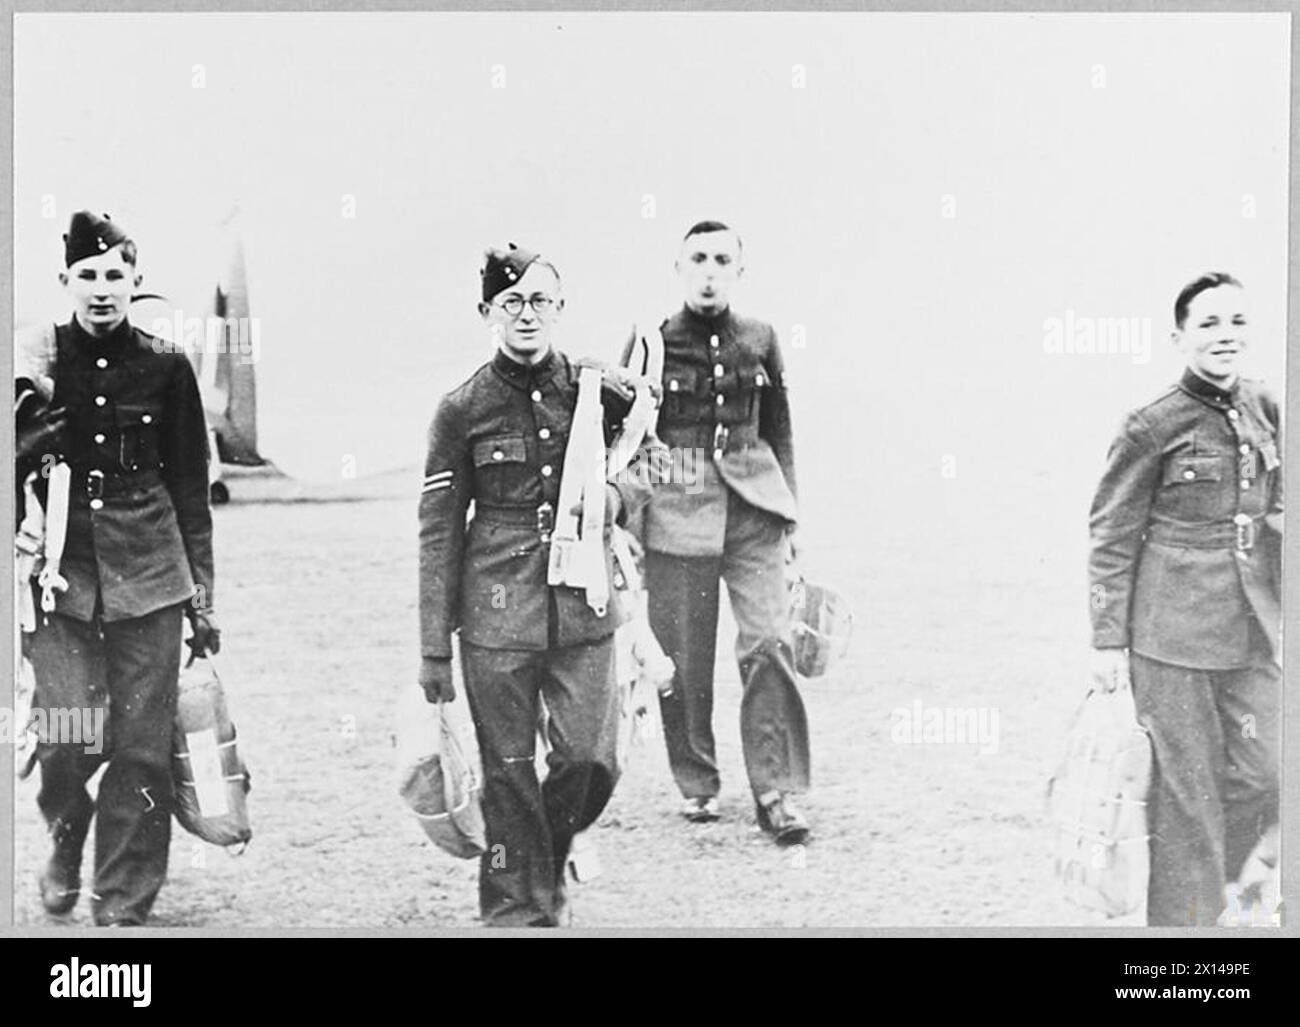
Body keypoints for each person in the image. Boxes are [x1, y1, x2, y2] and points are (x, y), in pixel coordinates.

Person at [417, 243, 651, 927]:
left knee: (590, 759)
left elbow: (651, 454)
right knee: (509, 772)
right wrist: (434, 648)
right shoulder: (461, 408)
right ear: (488, 310)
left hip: (583, 606)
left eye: (540, 300)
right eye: (511, 301)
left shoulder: (595, 387)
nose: (527, 314)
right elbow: (437, 526)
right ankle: (516, 910)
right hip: (496, 612)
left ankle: (541, 865)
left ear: (560, 307)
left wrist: (614, 495)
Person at [17, 210, 219, 927]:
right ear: (65, 280)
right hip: (60, 581)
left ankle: (123, 903)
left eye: (115, 275)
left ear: (135, 280)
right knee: (68, 735)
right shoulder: (36, 364)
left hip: (152, 573)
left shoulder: (167, 366)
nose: (102, 289)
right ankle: (67, 840)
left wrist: (203, 595)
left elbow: (191, 486)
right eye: (88, 276)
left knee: (140, 747)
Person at [1088, 271, 1281, 927]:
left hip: (1253, 627)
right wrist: (1108, 642)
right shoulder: (1151, 425)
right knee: (1187, 799)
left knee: (1271, 767)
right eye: (1209, 324)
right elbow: (1111, 535)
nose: (1226, 336)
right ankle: (1181, 942)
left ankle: (1224, 882)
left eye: (1237, 322)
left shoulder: (1265, 406)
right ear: (1179, 337)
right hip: (1170, 640)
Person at [622, 220, 811, 843]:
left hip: (754, 509)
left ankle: (778, 789)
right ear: (679, 268)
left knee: (769, 643)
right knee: (684, 660)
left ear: (739, 270)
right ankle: (696, 781)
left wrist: (791, 516)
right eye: (697, 258)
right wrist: (629, 521)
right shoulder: (651, 340)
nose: (709, 270)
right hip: (678, 512)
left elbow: (778, 427)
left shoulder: (761, 337)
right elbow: (627, 438)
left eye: (721, 259)